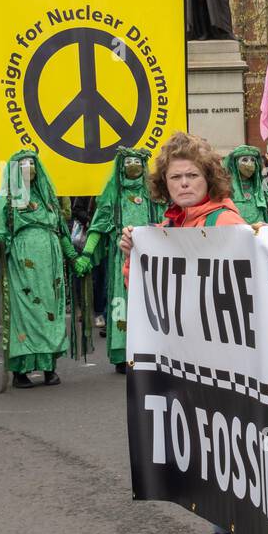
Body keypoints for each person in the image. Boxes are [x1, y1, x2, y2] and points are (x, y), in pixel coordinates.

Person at [117, 131, 268, 534]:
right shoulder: (171, 226)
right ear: (164, 186)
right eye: (175, 177)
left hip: (228, 363)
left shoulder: (226, 221)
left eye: (192, 175)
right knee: (210, 455)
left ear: (209, 179)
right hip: (189, 363)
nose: (184, 183)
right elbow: (150, 294)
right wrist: (135, 257)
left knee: (237, 456)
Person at [0, 151, 82, 389]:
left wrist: (73, 257)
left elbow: (61, 230)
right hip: (22, 264)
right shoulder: (7, 197)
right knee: (26, 312)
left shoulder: (47, 196)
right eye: (23, 163)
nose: (29, 167)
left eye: (32, 163)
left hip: (50, 267)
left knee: (50, 311)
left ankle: (49, 367)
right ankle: (21, 371)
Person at [81, 147, 162, 373]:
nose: (133, 165)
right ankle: (122, 353)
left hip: (150, 257)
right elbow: (99, 224)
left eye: (137, 161)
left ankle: (150, 351)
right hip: (122, 257)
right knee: (122, 303)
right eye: (129, 161)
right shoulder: (113, 193)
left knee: (150, 303)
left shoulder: (153, 193)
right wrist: (86, 253)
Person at [222, 144, 268, 225]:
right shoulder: (227, 187)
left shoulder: (260, 186)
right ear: (236, 163)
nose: (250, 163)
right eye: (244, 160)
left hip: (259, 232)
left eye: (253, 160)